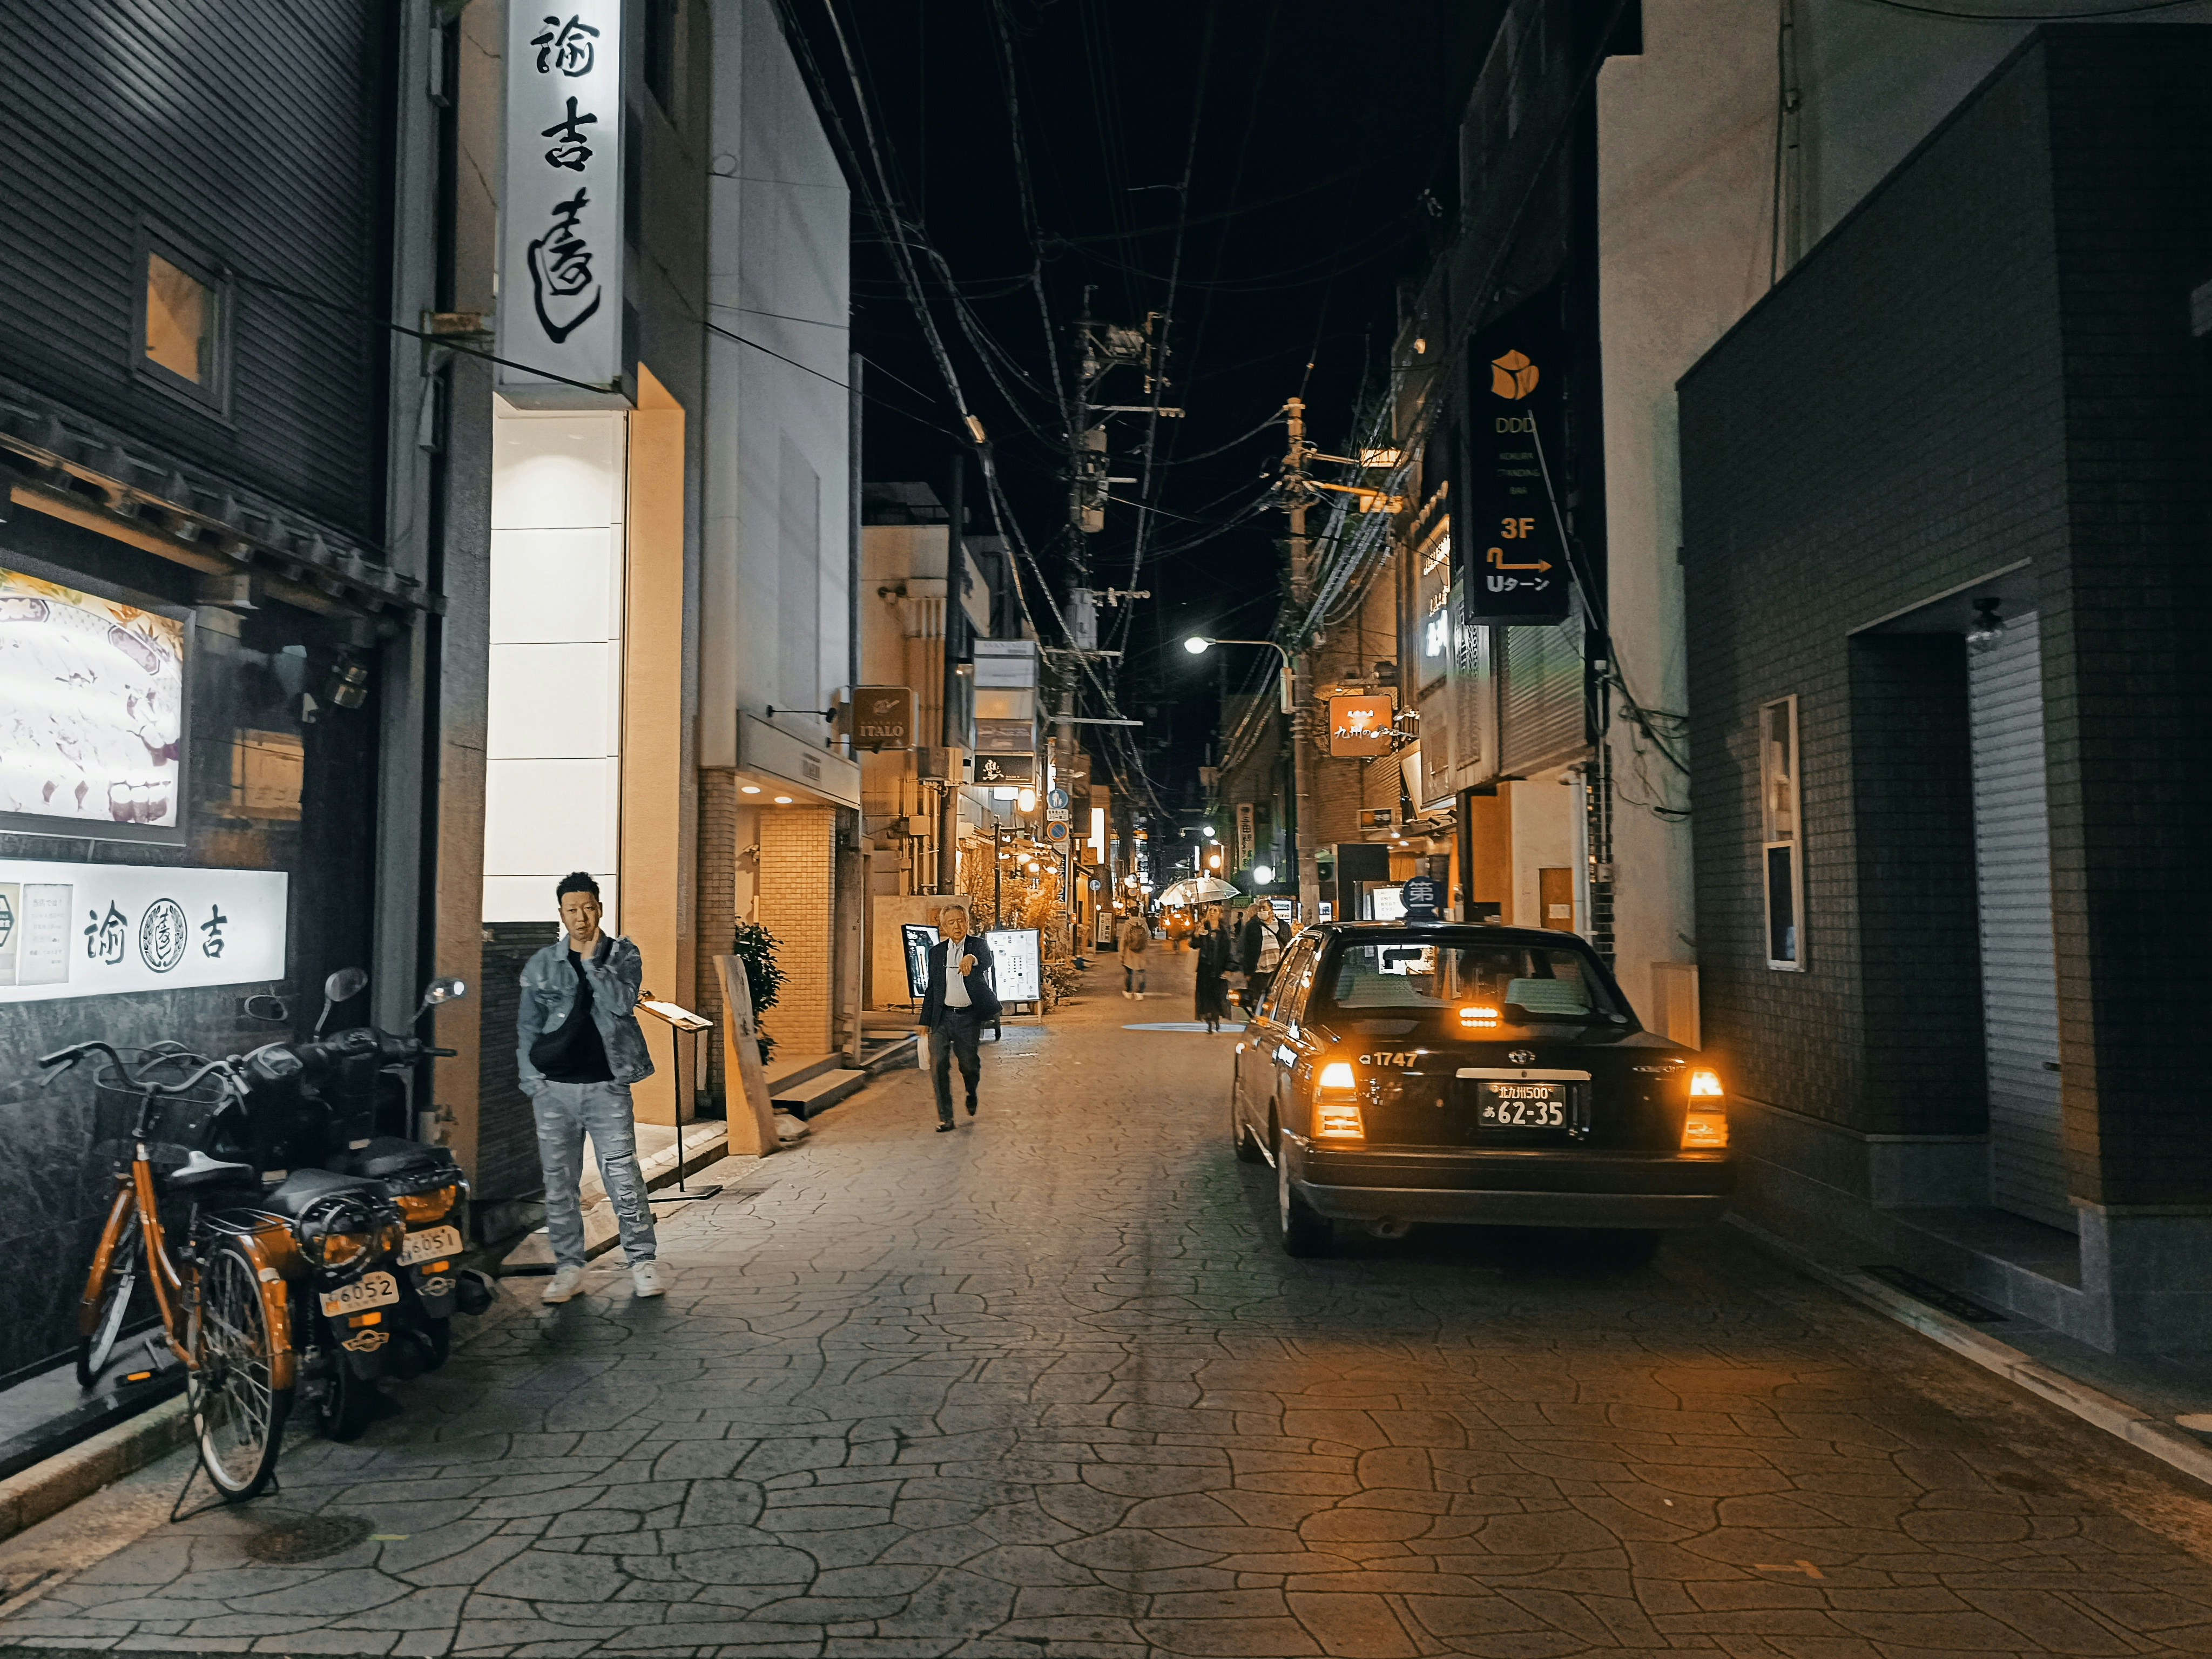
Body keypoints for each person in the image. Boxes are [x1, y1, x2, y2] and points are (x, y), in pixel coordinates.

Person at [516, 872, 664, 1304]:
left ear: (600, 907)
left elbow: (621, 1003)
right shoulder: (543, 963)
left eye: (587, 908)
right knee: (559, 1182)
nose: (580, 918)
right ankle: (569, 1268)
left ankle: (642, 1262)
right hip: (554, 1091)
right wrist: (532, 1080)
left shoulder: (622, 954)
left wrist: (592, 962)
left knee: (622, 1174)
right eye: (571, 910)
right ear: (560, 914)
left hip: (606, 1086)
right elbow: (527, 1026)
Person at [920, 905, 1001, 1131]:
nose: (957, 926)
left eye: (961, 921)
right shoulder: (936, 953)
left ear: (967, 922)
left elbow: (986, 960)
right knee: (938, 1066)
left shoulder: (978, 945)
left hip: (968, 1018)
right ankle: (946, 1117)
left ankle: (971, 1092)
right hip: (942, 1017)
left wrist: (971, 958)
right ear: (944, 927)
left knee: (969, 1064)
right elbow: (933, 988)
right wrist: (924, 1020)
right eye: (952, 922)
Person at [1192, 906, 1233, 1034]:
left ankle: (1216, 1019)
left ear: (1220, 914)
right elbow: (1194, 945)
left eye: (1215, 911)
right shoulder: (1203, 928)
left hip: (1218, 968)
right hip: (1205, 968)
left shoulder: (1224, 931)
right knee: (1205, 996)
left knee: (1218, 995)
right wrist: (1197, 934)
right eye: (1210, 910)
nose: (1212, 913)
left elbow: (1228, 951)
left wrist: (1228, 968)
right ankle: (1209, 1021)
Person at [1118, 912, 1151, 1000]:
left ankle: (1129, 992)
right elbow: (1149, 936)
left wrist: (1122, 953)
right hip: (1142, 951)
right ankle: (1140, 993)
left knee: (1129, 972)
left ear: (1130, 915)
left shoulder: (1128, 924)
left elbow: (1124, 939)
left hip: (1130, 951)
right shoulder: (1144, 923)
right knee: (1141, 972)